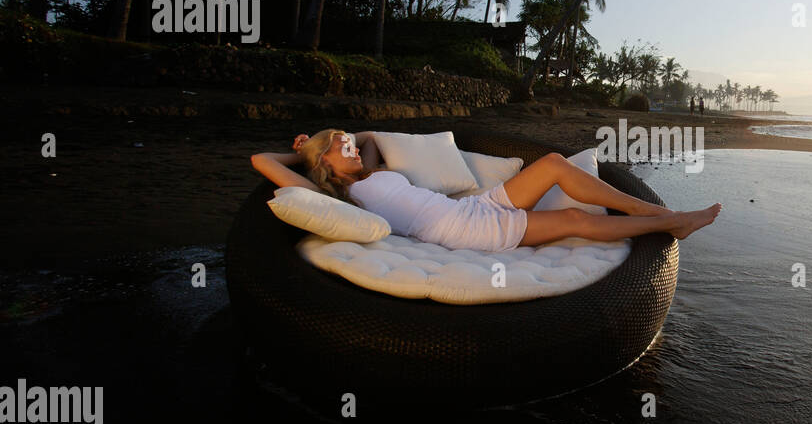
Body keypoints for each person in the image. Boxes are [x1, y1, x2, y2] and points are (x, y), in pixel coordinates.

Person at [250, 129, 721, 251]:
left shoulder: (368, 173)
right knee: (578, 220)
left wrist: (338, 143)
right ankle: (673, 224)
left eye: (344, 141)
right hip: (460, 232)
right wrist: (303, 152)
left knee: (554, 164)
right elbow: (260, 161)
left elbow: (371, 138)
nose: (350, 146)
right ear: (321, 164)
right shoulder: (338, 198)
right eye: (340, 145)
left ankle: (644, 211)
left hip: (472, 207)